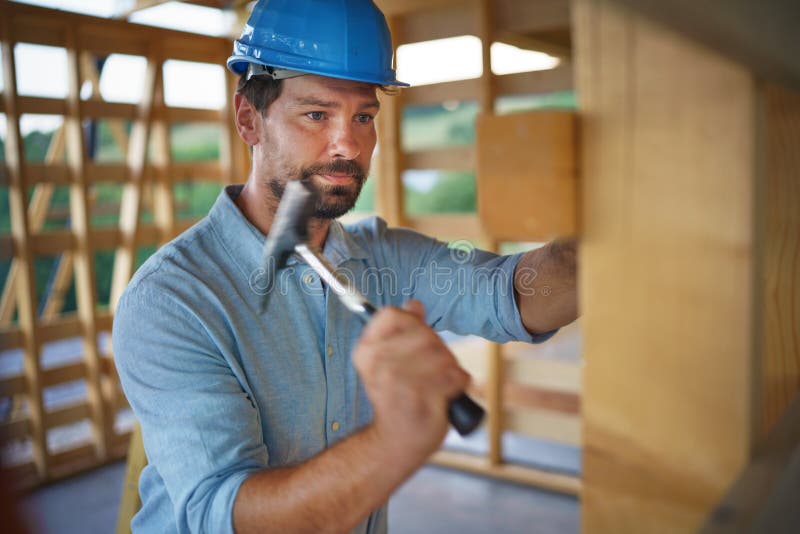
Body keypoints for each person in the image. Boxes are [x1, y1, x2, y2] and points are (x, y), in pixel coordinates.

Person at [112, 1, 578, 533]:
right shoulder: (171, 299)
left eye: (363, 116)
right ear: (249, 118)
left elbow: (516, 295)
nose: (349, 144)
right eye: (317, 115)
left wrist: (602, 241)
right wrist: (395, 439)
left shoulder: (381, 257)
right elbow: (226, 519)